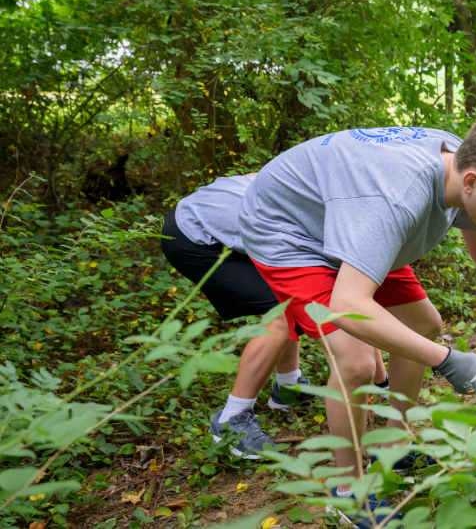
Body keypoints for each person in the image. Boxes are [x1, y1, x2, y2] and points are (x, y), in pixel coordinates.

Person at [237, 115, 476, 527]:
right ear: (470, 181)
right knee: (356, 362)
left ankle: (395, 444)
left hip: (350, 218)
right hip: (292, 231)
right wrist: (446, 359)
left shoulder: (464, 166)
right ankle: (348, 494)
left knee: (424, 324)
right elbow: (347, 303)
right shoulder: (398, 198)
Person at [162, 176, 391, 459]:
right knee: (281, 314)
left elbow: (353, 306)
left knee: (288, 301)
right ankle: (231, 420)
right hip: (193, 234)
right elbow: (347, 312)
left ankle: (289, 388)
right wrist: (378, 384)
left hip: (223, 216)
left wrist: (381, 383)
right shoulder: (316, 230)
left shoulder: (327, 208)